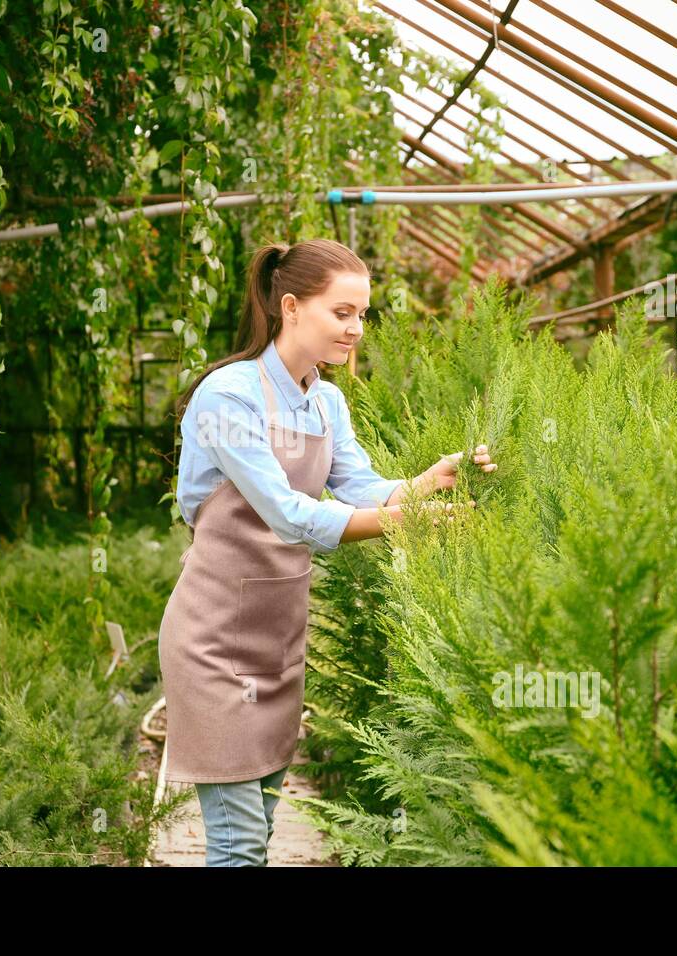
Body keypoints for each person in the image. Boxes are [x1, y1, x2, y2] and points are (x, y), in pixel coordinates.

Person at [157, 238, 496, 866]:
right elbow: (290, 515)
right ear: (291, 307)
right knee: (236, 849)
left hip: (278, 644)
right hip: (213, 643)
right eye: (342, 313)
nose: (356, 329)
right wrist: (408, 523)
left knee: (255, 833)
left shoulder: (325, 400)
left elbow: (360, 486)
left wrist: (430, 480)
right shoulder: (228, 397)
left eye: (362, 315)